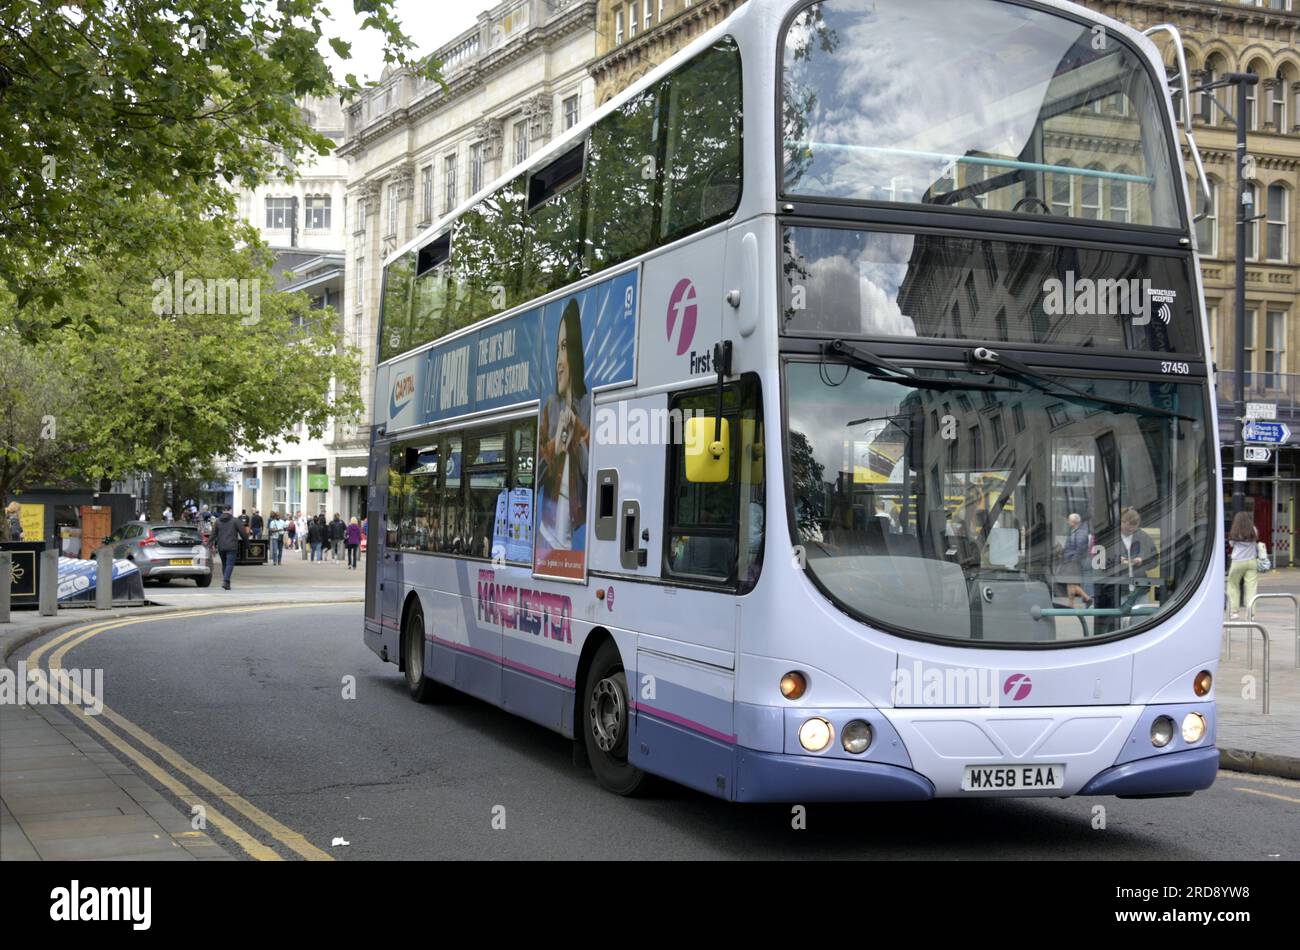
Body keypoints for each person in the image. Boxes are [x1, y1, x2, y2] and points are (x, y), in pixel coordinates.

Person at [536, 299, 591, 560]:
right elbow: (528, 476)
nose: (559, 361)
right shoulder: (550, 407)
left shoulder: (590, 406)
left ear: (576, 353)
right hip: (545, 537)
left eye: (565, 348)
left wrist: (577, 431)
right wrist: (555, 445)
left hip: (575, 544)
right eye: (558, 350)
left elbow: (595, 472)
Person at [1226, 511, 1260, 620]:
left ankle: (1234, 612)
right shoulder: (1254, 530)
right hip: (1251, 561)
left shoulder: (1235, 531)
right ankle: (1251, 614)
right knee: (1251, 588)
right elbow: (1256, 541)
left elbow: (1231, 544)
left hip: (1237, 562)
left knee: (1233, 585)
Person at [210, 509, 249, 590]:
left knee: (224, 564)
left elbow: (213, 534)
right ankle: (225, 580)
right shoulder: (235, 520)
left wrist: (207, 544)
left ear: (223, 511)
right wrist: (247, 544)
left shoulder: (217, 521)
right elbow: (243, 533)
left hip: (221, 546)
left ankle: (227, 584)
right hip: (232, 546)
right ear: (230, 510)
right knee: (229, 564)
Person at [1059, 512, 1092, 608]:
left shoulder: (1080, 532)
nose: (1067, 522)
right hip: (1070, 560)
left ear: (1074, 522)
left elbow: (1080, 548)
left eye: (1069, 520)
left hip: (1073, 561)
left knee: (1071, 582)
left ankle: (1087, 598)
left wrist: (1073, 560)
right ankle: (1071, 604)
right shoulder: (1074, 531)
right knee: (1070, 582)